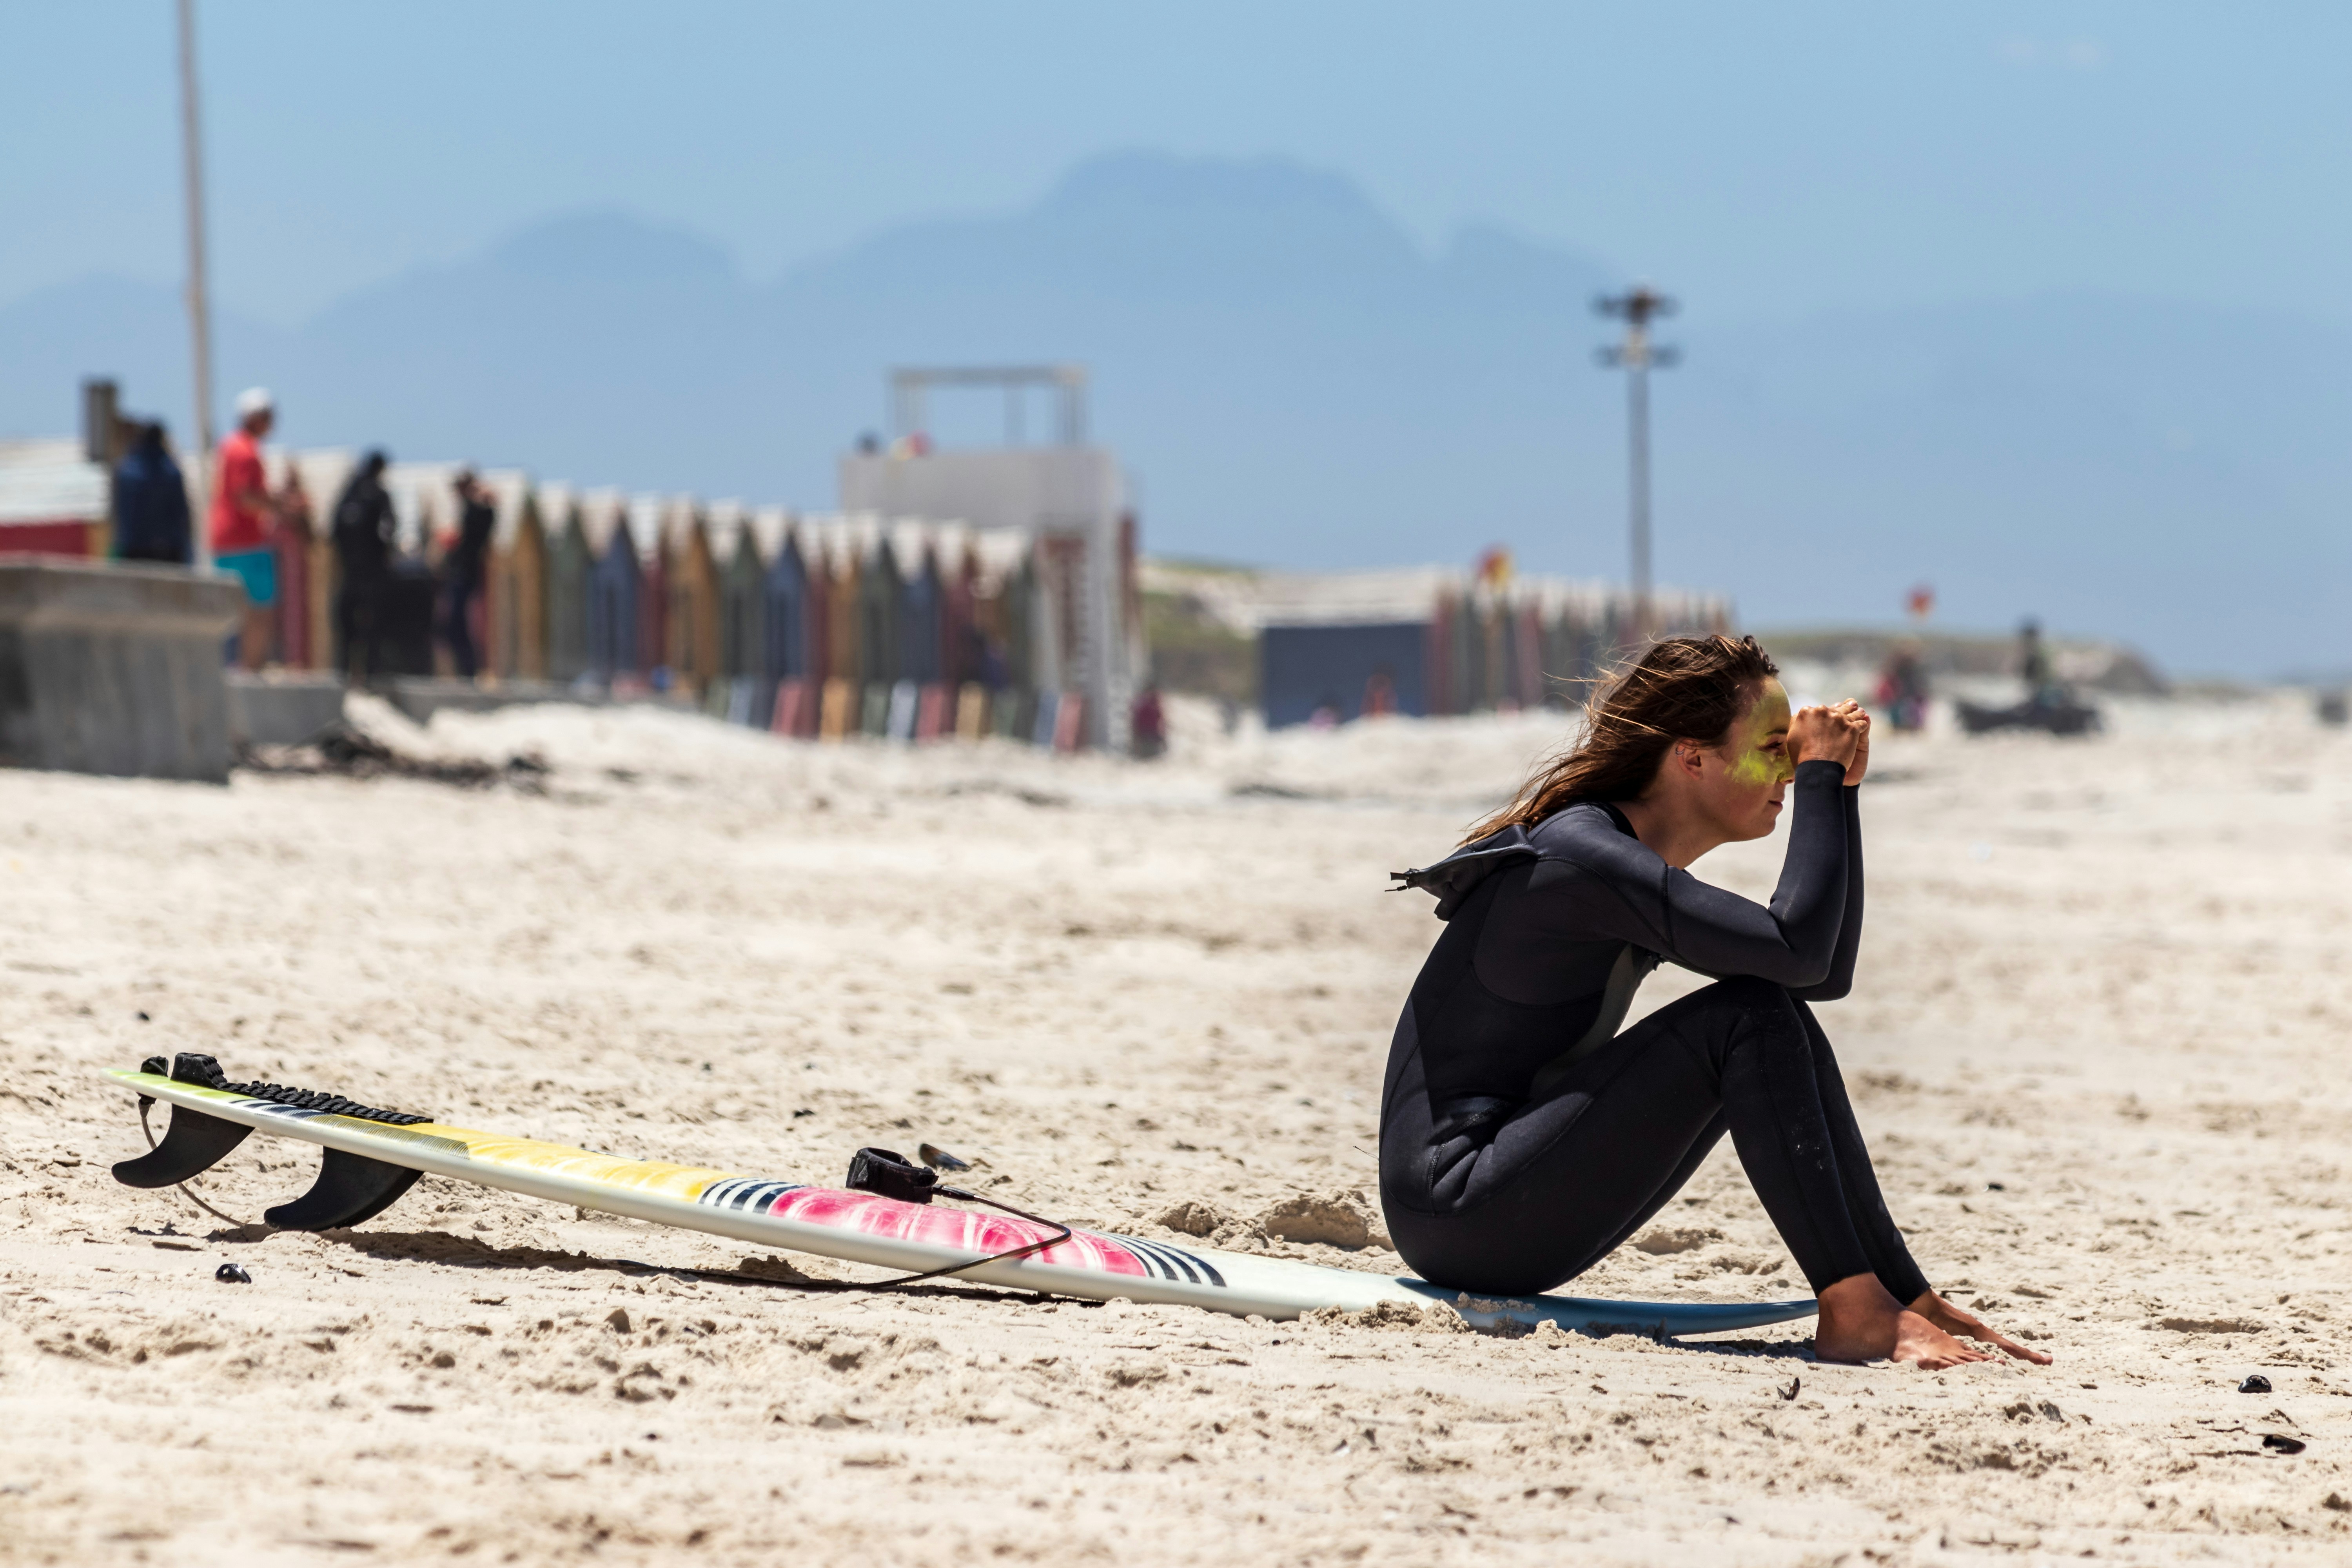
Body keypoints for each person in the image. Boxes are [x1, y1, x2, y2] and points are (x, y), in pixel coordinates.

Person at [1382, 634, 2048, 1369]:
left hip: (1494, 1201)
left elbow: (1816, 975)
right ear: (1690, 758)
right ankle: (1855, 1309)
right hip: (1462, 1206)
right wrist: (1824, 779)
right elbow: (1799, 954)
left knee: (1769, 1010)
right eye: (1774, 747)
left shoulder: (1615, 858)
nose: (1789, 770)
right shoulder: (1582, 857)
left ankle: (1891, 1295)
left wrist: (1840, 792)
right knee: (1747, 1019)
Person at [210, 387, 282, 668]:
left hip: (224, 540)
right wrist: (279, 506)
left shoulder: (229, 446)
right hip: (246, 542)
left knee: (232, 613)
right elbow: (245, 498)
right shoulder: (246, 451)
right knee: (259, 613)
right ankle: (251, 671)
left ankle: (234, 669)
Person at [332, 450, 396, 682]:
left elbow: (335, 530)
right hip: (372, 572)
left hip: (349, 570)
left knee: (346, 623)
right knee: (372, 622)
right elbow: (388, 529)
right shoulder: (379, 495)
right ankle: (371, 675)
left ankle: (342, 673)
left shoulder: (349, 494)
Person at [113, 421, 191, 564]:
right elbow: (182, 513)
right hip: (169, 550)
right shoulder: (172, 473)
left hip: (134, 551)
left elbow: (119, 514)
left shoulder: (126, 472)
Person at [442, 469, 495, 679]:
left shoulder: (478, 509)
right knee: (456, 624)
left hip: (467, 573)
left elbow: (480, 532)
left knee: (462, 622)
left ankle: (470, 670)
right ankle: (464, 670)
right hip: (462, 572)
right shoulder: (469, 509)